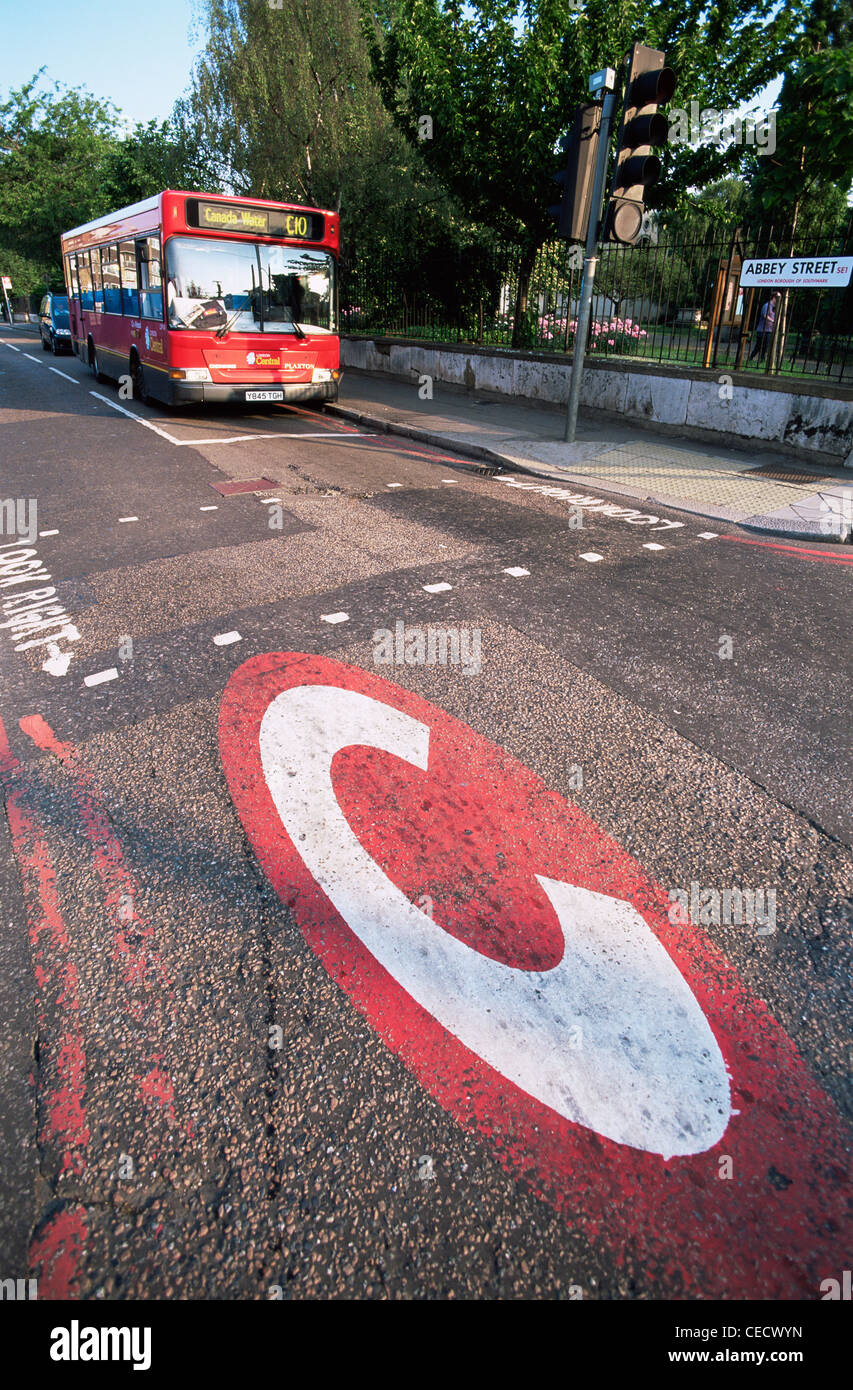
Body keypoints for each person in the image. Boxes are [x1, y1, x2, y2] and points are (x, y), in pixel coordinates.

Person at [749, 291, 780, 362]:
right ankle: (751, 357)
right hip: (762, 330)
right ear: (774, 298)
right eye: (778, 298)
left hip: (769, 330)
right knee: (759, 346)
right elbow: (765, 315)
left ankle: (762, 360)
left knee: (765, 346)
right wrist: (773, 321)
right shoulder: (767, 305)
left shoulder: (775, 307)